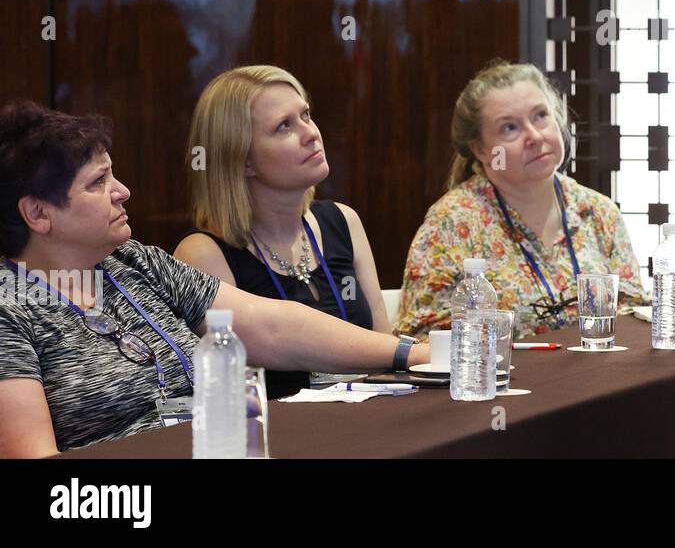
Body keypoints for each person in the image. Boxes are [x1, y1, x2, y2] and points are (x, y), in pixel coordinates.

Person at [0, 101, 428, 457]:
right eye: (98, 182)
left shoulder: (131, 262)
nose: (122, 191)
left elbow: (271, 326)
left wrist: (412, 355)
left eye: (112, 174)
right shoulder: (9, 310)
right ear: (37, 214)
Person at [174, 65, 389, 398]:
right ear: (242, 160)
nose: (311, 134)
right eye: (284, 127)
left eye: (306, 115)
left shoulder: (344, 221)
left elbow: (385, 349)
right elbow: (226, 392)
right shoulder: (203, 254)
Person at [396, 60, 648, 338]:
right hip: (503, 379)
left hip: (600, 376)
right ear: (481, 149)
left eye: (541, 116)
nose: (534, 136)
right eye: (510, 128)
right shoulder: (453, 221)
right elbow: (421, 335)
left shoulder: (599, 212)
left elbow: (634, 316)